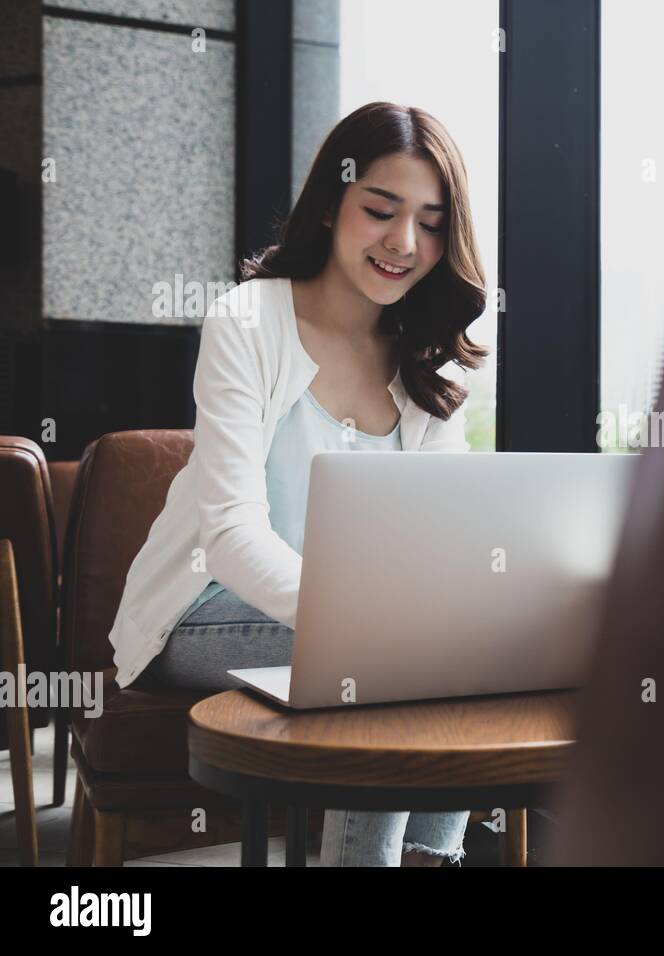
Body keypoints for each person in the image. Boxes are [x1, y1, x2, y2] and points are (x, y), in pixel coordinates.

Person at [108, 101, 489, 866]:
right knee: (390, 658)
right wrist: (366, 621)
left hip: (358, 620)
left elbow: (438, 542)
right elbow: (231, 539)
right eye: (379, 210)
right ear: (329, 206)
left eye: (431, 221)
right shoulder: (248, 322)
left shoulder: (430, 362)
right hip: (201, 610)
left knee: (461, 655)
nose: (404, 242)